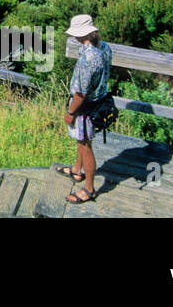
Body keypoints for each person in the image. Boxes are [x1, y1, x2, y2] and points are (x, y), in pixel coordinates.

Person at [53, 14, 112, 204]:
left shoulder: (87, 58)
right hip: (100, 100)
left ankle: (89, 189)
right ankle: (76, 171)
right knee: (81, 138)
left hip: (85, 107)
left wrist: (70, 112)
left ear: (80, 35)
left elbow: (81, 94)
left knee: (85, 145)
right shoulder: (104, 48)